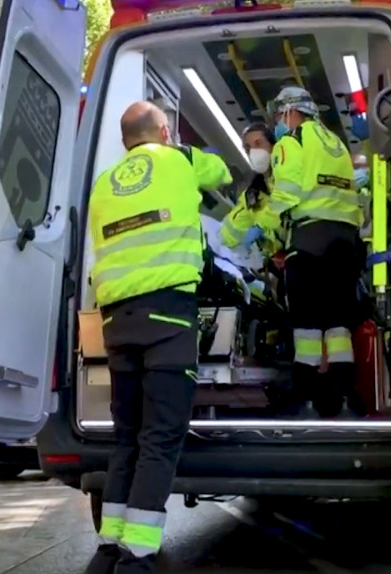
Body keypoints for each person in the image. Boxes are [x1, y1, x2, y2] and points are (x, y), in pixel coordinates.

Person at [84, 101, 231, 574]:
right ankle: (139, 557)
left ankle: (109, 549)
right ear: (164, 131)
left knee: (127, 436)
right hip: (167, 314)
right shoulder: (180, 159)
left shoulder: (104, 181)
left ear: (125, 139)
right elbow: (224, 173)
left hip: (116, 322)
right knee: (161, 438)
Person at [257, 86, 364, 417]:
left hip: (309, 242)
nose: (278, 123)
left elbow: (287, 194)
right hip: (345, 243)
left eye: (279, 116)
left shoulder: (291, 142)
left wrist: (261, 226)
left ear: (291, 112)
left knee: (305, 327)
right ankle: (340, 398)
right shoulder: (336, 144)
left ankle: (305, 400)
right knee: (338, 326)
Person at [220, 122, 280, 256]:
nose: (253, 151)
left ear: (273, 145)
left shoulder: (288, 179)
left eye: (258, 144)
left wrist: (262, 227)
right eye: (248, 148)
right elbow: (233, 227)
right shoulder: (251, 195)